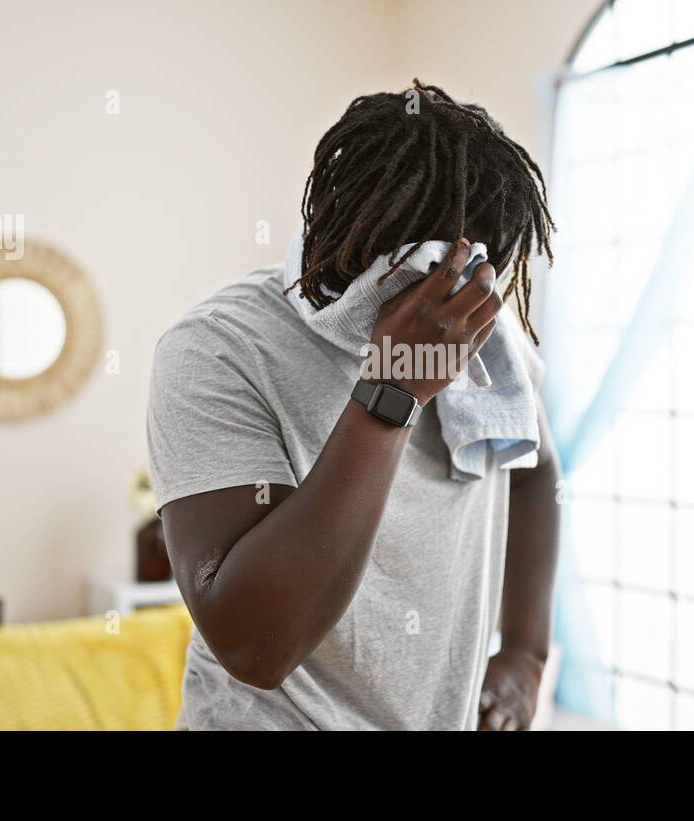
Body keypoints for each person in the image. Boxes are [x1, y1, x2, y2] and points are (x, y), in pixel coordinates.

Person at [147, 80, 559, 730]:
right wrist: (391, 392)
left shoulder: (482, 338)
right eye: (421, 259)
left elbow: (535, 478)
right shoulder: (219, 348)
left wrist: (525, 656)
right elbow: (256, 645)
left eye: (474, 263)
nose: (445, 288)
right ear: (339, 228)